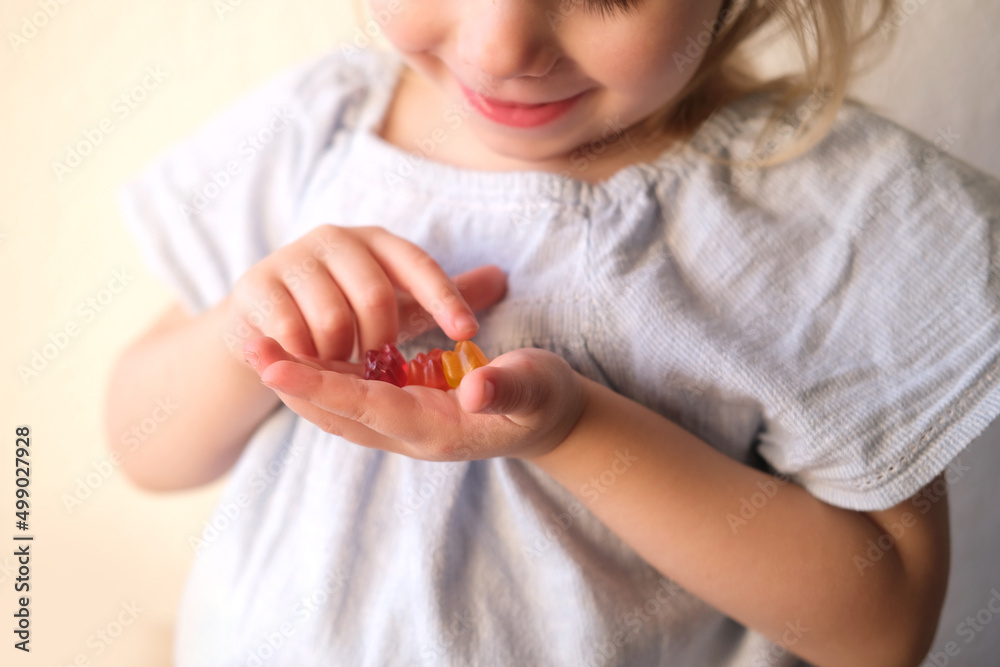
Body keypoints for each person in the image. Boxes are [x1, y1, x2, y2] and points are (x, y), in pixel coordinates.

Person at [105, 0, 1000, 664]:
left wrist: (573, 432)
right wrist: (249, 331)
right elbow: (144, 443)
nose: (498, 46)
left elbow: (881, 626)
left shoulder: (828, 213)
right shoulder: (319, 128)